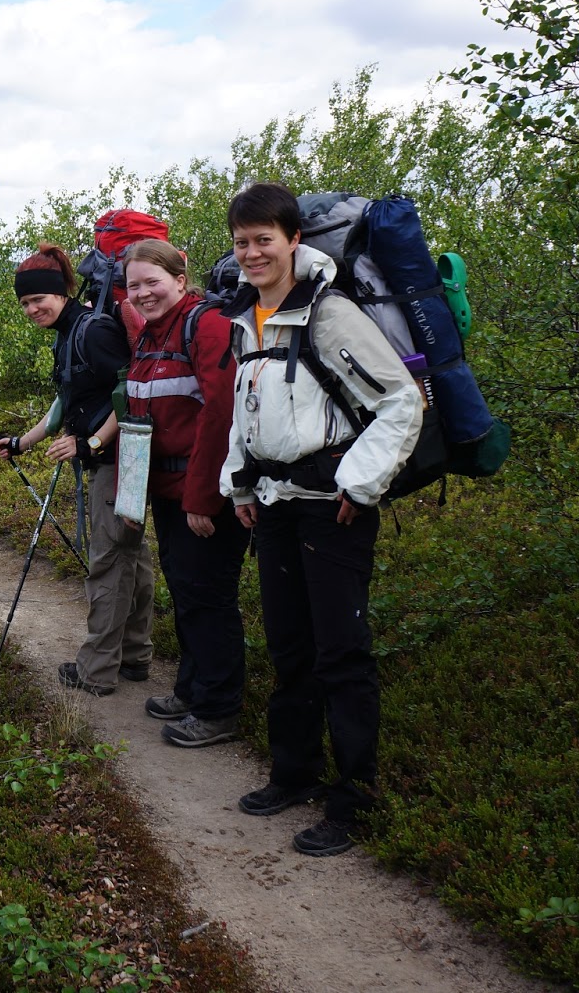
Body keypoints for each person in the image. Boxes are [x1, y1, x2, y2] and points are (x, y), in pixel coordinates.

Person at [217, 182, 423, 857]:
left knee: (341, 653)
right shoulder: (246, 316)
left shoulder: (329, 314)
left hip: (333, 509)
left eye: (264, 240)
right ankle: (294, 772)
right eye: (242, 242)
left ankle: (354, 799)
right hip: (276, 504)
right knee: (289, 647)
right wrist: (238, 483)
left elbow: (401, 401)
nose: (252, 253)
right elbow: (247, 412)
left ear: (293, 239)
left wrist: (360, 485)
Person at [0, 244, 155, 695]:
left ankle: (97, 670)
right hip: (117, 460)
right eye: (24, 303)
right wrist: (20, 443)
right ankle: (135, 655)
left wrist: (90, 443)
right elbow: (66, 400)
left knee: (109, 561)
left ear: (61, 292)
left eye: (38, 299)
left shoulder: (93, 331)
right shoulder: (70, 333)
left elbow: (133, 393)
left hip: (119, 461)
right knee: (130, 555)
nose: (32, 309)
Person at [121, 239, 248, 748]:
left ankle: (218, 709)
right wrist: (134, 497)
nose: (143, 293)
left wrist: (202, 498)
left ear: (179, 279)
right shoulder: (151, 336)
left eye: (152, 281)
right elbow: (140, 423)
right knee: (187, 592)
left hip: (206, 494)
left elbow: (223, 417)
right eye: (133, 285)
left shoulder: (206, 326)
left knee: (208, 596)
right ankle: (192, 689)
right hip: (170, 492)